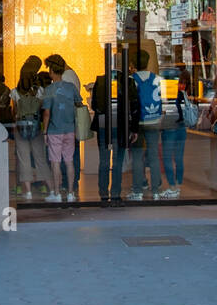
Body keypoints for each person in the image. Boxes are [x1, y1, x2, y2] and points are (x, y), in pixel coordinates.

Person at [91, 65, 139, 206]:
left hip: (103, 126)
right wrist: (134, 129)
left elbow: (94, 105)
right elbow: (135, 107)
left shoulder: (100, 81)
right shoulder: (128, 82)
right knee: (118, 162)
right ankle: (116, 194)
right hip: (121, 127)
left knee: (104, 161)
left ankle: (104, 195)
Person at [40, 56, 84, 204]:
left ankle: (57, 193)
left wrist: (45, 131)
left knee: (55, 162)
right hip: (69, 129)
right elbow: (79, 102)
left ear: (52, 71)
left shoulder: (49, 90)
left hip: (54, 130)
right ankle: (71, 192)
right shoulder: (71, 87)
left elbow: (46, 113)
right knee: (69, 161)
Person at [9, 57, 47, 199]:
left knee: (22, 158)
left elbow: (14, 112)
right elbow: (43, 109)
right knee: (39, 157)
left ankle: (24, 189)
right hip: (37, 127)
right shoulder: (40, 91)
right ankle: (43, 185)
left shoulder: (15, 92)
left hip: (21, 127)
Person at [128, 50, 164, 200]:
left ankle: (138, 189)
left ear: (133, 64)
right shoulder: (156, 78)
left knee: (137, 156)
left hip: (139, 122)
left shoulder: (131, 79)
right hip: (154, 121)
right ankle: (155, 189)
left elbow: (130, 103)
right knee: (154, 155)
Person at [158, 71, 196, 198]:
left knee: (168, 158)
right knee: (179, 158)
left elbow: (171, 107)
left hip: (170, 127)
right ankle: (178, 186)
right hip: (181, 128)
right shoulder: (191, 91)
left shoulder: (178, 90)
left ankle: (172, 186)